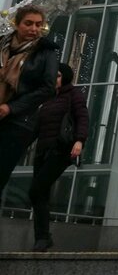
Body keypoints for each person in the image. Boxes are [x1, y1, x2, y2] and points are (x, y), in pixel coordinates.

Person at [28, 63, 89, 252]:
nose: (55, 77)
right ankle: (42, 238)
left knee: (35, 190)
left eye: (59, 75)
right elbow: (35, 128)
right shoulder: (47, 98)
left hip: (61, 151)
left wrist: (79, 141)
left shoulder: (73, 95)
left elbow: (82, 117)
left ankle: (43, 237)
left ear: (66, 77)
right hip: (42, 152)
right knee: (41, 195)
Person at [0, 6, 58, 198]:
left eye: (39, 25)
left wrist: (11, 108)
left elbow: (47, 88)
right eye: (29, 23)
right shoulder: (2, 45)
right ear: (16, 24)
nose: (34, 29)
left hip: (17, 124)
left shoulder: (46, 52)